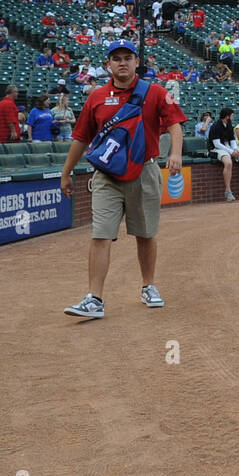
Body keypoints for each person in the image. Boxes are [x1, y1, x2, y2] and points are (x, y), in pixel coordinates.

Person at [62, 40, 186, 319]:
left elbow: (175, 126)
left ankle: (148, 286)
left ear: (136, 62)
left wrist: (176, 153)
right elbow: (81, 137)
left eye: (127, 58)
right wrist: (66, 171)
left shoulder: (155, 92)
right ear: (108, 64)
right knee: (101, 234)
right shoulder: (96, 96)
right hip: (107, 175)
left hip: (145, 171)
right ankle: (95, 298)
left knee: (145, 233)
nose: (122, 63)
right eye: (116, 58)